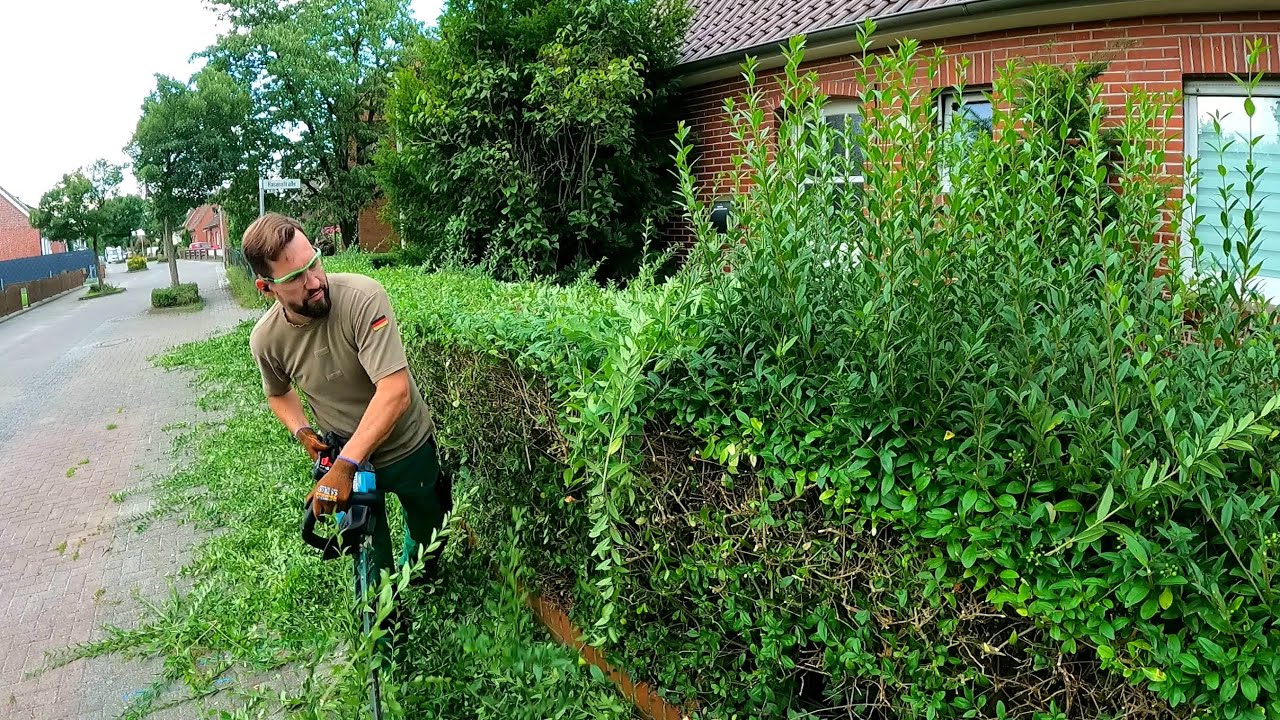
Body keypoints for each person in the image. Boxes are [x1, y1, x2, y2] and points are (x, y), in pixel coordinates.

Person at [244, 212, 450, 585]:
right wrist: (303, 432)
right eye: (295, 278)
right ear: (266, 288)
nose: (314, 282)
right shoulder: (266, 339)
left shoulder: (363, 297)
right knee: (369, 562)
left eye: (314, 263)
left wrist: (344, 466)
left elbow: (395, 391)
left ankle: (419, 574)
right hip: (344, 455)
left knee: (429, 537)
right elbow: (278, 393)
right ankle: (383, 631)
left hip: (407, 445)